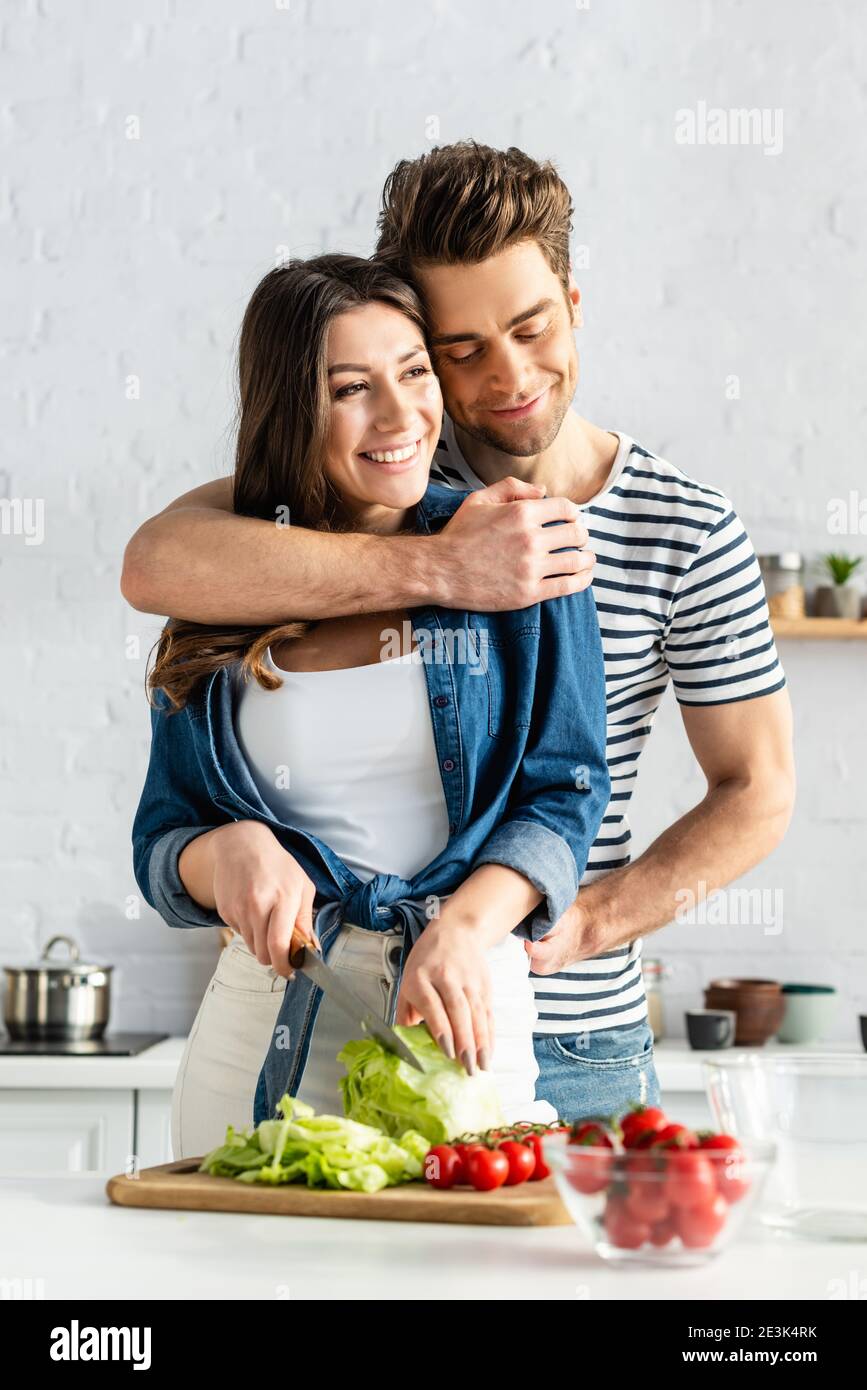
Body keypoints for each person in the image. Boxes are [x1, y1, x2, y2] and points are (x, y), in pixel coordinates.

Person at [124, 141, 795, 1123]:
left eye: (529, 326)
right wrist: (444, 566)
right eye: (461, 350)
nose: (510, 375)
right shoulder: (376, 483)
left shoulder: (683, 526)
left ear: (573, 302)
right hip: (322, 1015)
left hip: (569, 1021)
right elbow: (163, 562)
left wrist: (572, 923)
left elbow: (757, 791)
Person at [131, 253, 611, 1157]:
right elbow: (162, 837)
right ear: (291, 406)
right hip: (260, 1032)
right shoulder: (225, 583)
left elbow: (566, 790)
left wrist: (465, 929)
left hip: (459, 1015)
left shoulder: (520, 550)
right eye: (351, 387)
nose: (399, 418)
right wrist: (222, 852)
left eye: (416, 372)